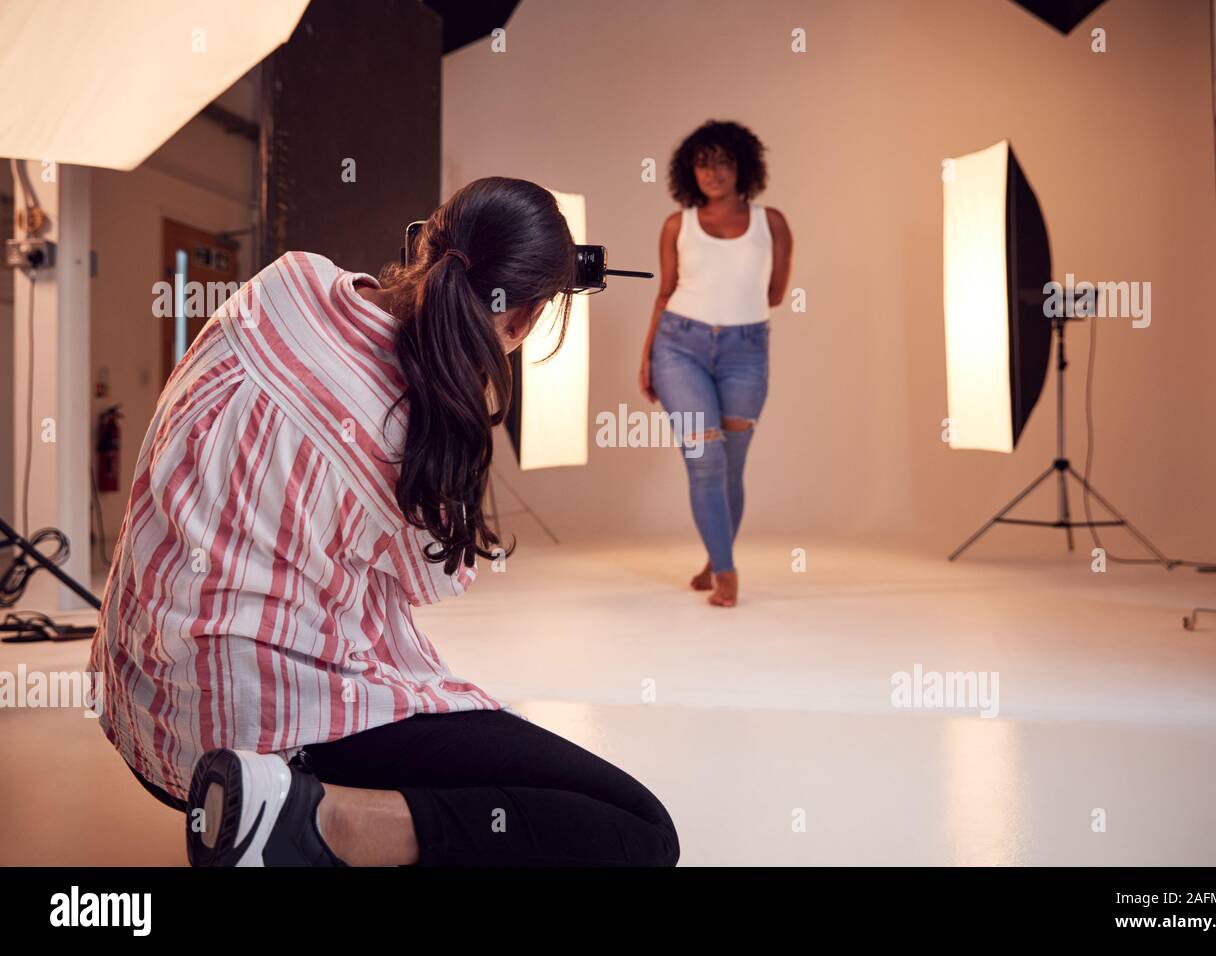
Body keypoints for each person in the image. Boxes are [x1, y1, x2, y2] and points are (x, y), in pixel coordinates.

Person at [88, 177, 679, 867]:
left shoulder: (285, 281)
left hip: (142, 707)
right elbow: (434, 582)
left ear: (428, 238)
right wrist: (468, 386)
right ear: (520, 322)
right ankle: (318, 823)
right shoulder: (424, 427)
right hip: (254, 735)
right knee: (637, 830)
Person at [639, 120, 793, 607]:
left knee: (730, 468)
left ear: (742, 166)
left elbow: (774, 293)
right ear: (690, 169)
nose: (713, 171)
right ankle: (727, 573)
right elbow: (664, 292)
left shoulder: (773, 224)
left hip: (746, 354)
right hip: (678, 347)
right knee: (705, 461)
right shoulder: (676, 225)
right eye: (703, 162)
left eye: (723, 161)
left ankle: (714, 554)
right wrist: (647, 358)